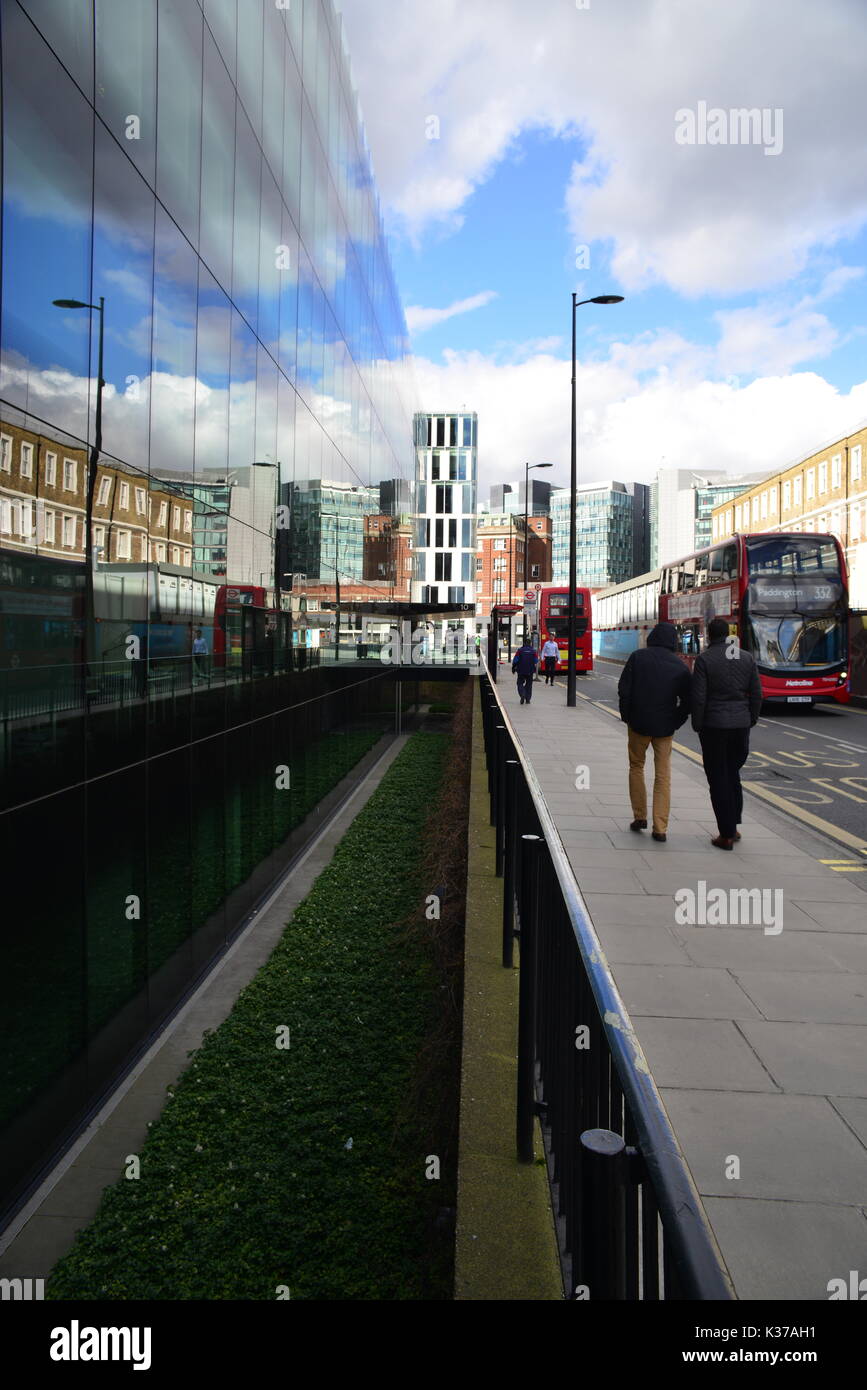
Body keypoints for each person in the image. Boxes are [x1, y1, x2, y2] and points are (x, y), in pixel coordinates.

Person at [692, 616, 762, 850]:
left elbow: (699, 697)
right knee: (733, 774)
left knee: (718, 779)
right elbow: (757, 694)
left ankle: (726, 835)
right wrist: (751, 718)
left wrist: (698, 724)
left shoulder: (704, 660)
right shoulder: (746, 658)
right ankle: (734, 825)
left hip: (714, 726)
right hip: (740, 725)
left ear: (710, 635)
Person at [617, 622, 691, 843]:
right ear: (673, 642)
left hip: (638, 723)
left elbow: (624, 689)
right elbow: (688, 700)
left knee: (636, 767)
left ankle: (640, 816)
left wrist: (627, 715)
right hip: (664, 728)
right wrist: (676, 721)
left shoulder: (638, 658)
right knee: (663, 775)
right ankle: (660, 828)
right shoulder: (680, 667)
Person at [512, 639, 538, 705]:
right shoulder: (533, 651)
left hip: (521, 670)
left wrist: (513, 667)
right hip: (530, 670)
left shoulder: (520, 650)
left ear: (524, 643)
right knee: (529, 685)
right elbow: (536, 661)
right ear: (530, 643)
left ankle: (522, 693)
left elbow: (515, 660)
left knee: (520, 683)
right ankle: (528, 699)